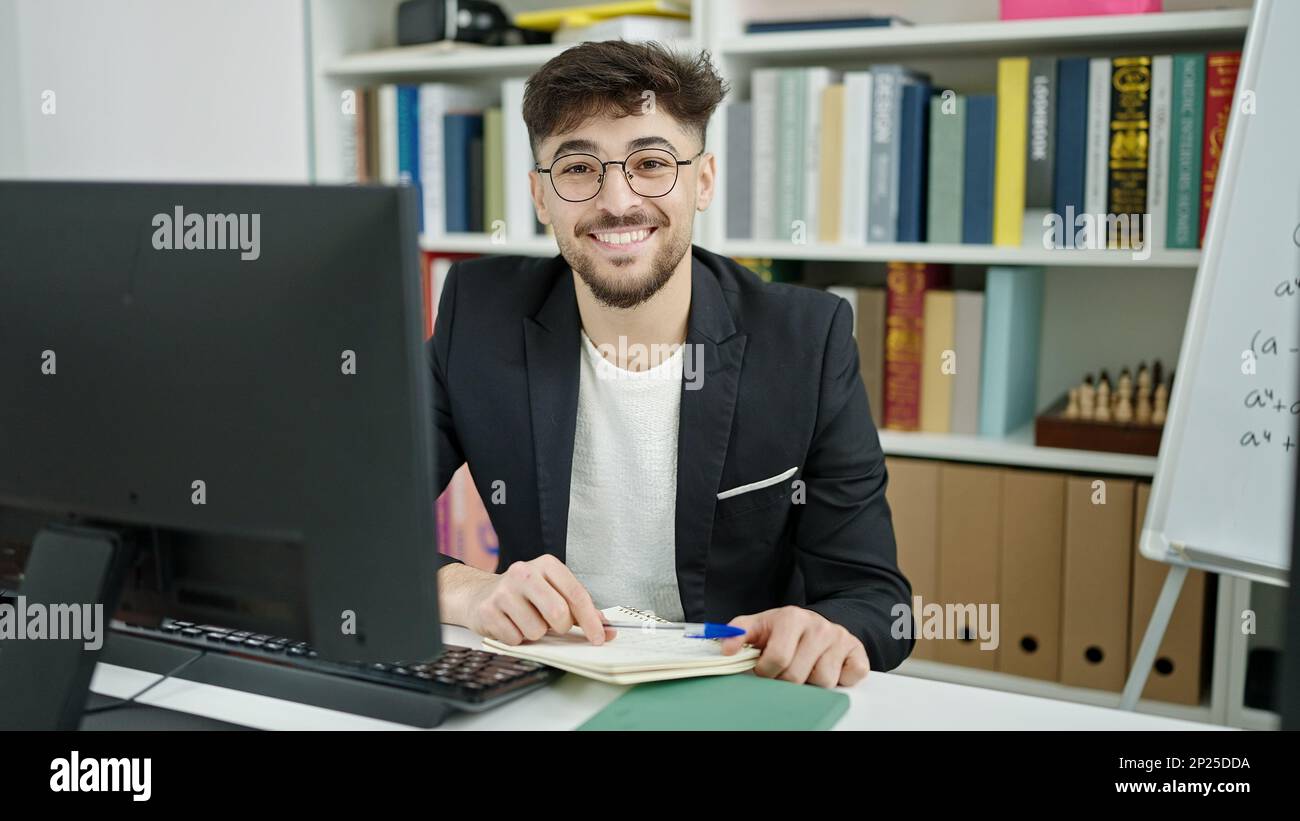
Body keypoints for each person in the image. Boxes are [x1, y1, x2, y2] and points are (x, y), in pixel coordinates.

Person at [429, 40, 912, 688]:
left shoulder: (805, 341)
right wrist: (467, 591)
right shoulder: (477, 316)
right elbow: (357, 521)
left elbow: (877, 598)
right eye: (578, 168)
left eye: (651, 162)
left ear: (703, 179)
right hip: (542, 689)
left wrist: (832, 629)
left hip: (733, 692)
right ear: (540, 196)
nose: (618, 201)